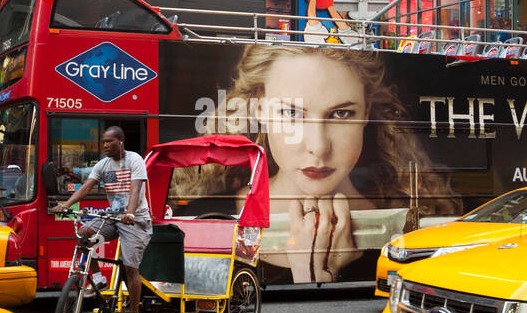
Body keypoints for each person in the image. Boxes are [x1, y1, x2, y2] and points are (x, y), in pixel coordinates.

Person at [174, 45, 457, 284]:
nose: (319, 146)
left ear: (367, 110)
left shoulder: (408, 234)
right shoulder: (205, 218)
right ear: (260, 109)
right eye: (291, 112)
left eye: (341, 113)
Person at [52, 126, 153, 313]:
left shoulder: (135, 160)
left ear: (120, 141)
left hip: (136, 220)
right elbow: (86, 187)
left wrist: (130, 213)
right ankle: (98, 280)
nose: (105, 145)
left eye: (109, 141)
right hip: (112, 217)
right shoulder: (103, 164)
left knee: (129, 268)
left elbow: (135, 189)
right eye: (103, 142)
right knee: (84, 234)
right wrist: (65, 205)